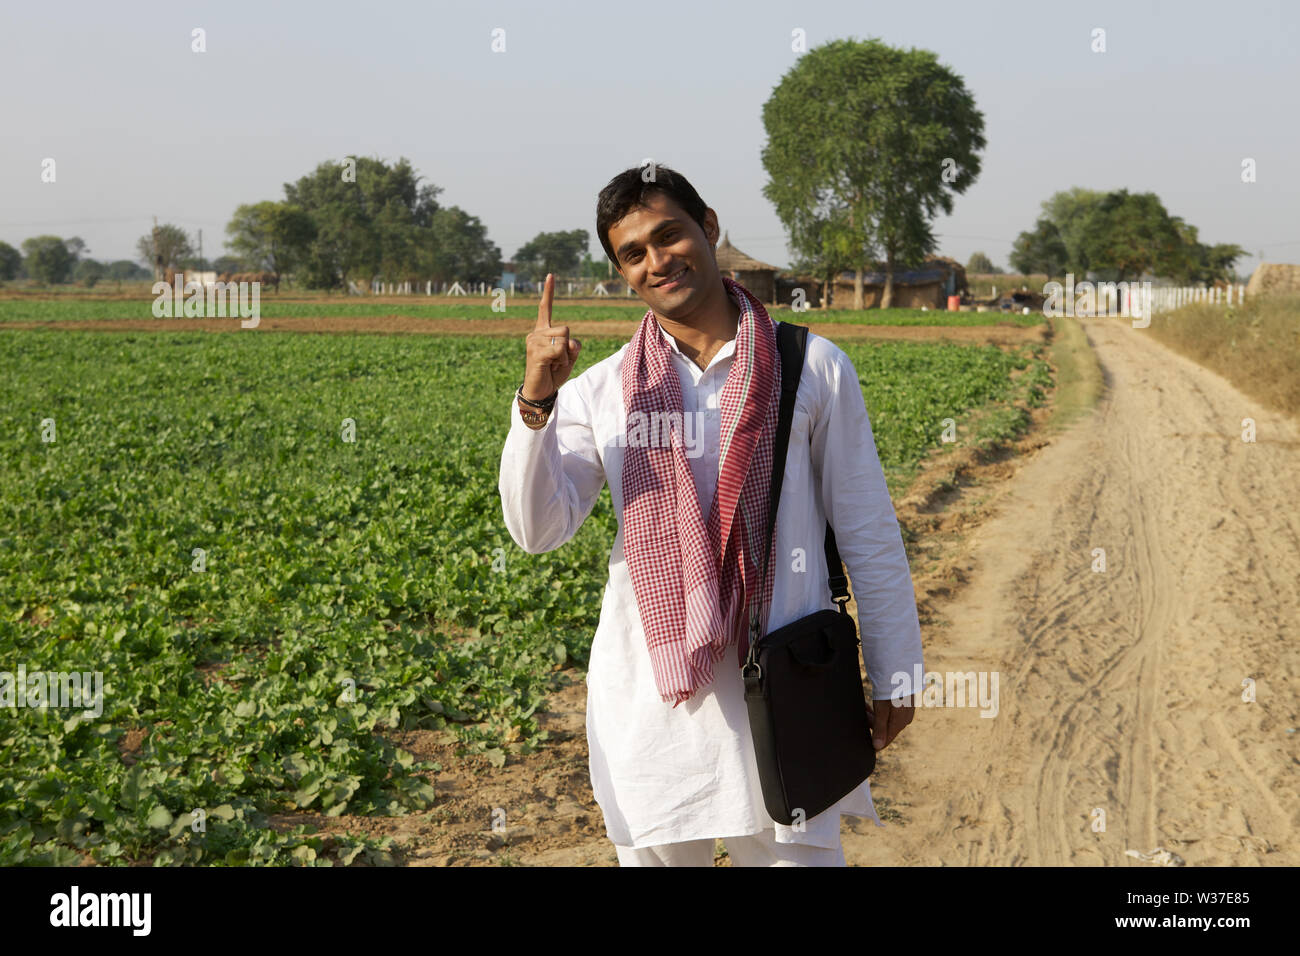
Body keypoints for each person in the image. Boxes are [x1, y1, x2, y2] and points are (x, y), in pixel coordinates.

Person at [498, 165, 923, 867]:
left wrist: (896, 666)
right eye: (633, 253)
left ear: (710, 228)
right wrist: (537, 400)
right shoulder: (601, 392)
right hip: (654, 704)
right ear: (621, 275)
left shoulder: (809, 366)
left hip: (786, 694)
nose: (657, 261)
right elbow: (537, 529)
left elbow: (867, 527)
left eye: (669, 236)